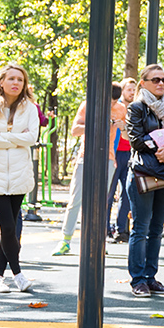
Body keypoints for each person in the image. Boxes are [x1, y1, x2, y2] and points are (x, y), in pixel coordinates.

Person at [0, 62, 40, 293]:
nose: (16, 83)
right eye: (11, 79)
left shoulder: (30, 108)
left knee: (9, 229)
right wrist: (14, 138)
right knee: (8, 226)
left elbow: (32, 137)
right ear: (1, 81)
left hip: (19, 175)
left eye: (20, 80)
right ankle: (18, 274)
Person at [124, 64, 164, 298]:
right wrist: (162, 148)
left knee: (157, 230)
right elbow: (136, 140)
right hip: (143, 172)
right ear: (143, 83)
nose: (161, 83)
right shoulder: (137, 108)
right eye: (155, 79)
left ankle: (151, 277)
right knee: (140, 228)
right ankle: (137, 280)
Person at [54, 83, 122, 255]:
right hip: (87, 156)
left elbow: (128, 134)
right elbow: (74, 130)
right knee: (76, 199)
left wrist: (122, 125)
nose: (112, 105)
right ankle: (65, 240)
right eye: (110, 101)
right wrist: (96, 123)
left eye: (114, 102)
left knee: (100, 202)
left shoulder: (121, 109)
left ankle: (98, 241)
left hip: (108, 159)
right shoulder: (88, 105)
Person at [108, 77, 136, 242]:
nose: (132, 93)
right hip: (115, 152)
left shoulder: (134, 109)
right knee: (109, 194)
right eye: (129, 89)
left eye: (134, 90)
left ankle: (122, 230)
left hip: (129, 154)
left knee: (127, 193)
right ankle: (104, 228)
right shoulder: (115, 108)